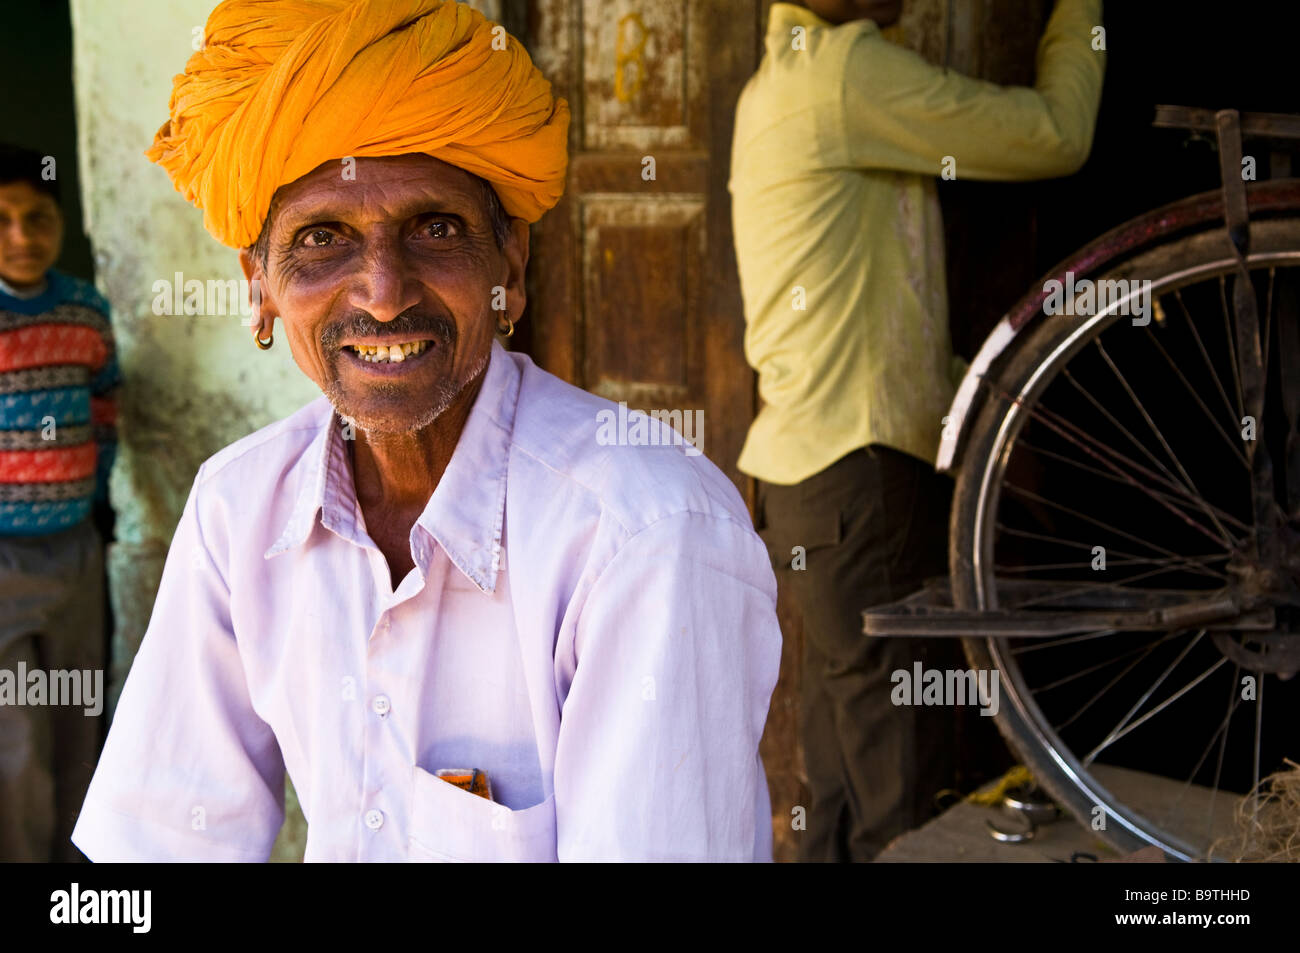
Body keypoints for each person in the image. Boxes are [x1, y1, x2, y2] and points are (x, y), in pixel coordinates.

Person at [71, 0, 781, 862]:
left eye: (434, 229)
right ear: (259, 289)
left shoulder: (647, 529)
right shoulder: (237, 510)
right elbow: (163, 842)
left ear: (510, 268)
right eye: (322, 238)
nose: (381, 292)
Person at [729, 0, 1105, 861]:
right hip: (862, 477)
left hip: (805, 483)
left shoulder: (779, 80)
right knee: (903, 795)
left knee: (839, 788)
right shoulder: (846, 73)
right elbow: (1057, 134)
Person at [0, 143, 119, 861]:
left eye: (37, 217)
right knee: (16, 735)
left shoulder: (83, 308)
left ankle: (78, 877)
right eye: (4, 219)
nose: (22, 235)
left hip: (76, 548)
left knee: (81, 715)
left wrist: (93, 496)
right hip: (4, 563)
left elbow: (105, 405)